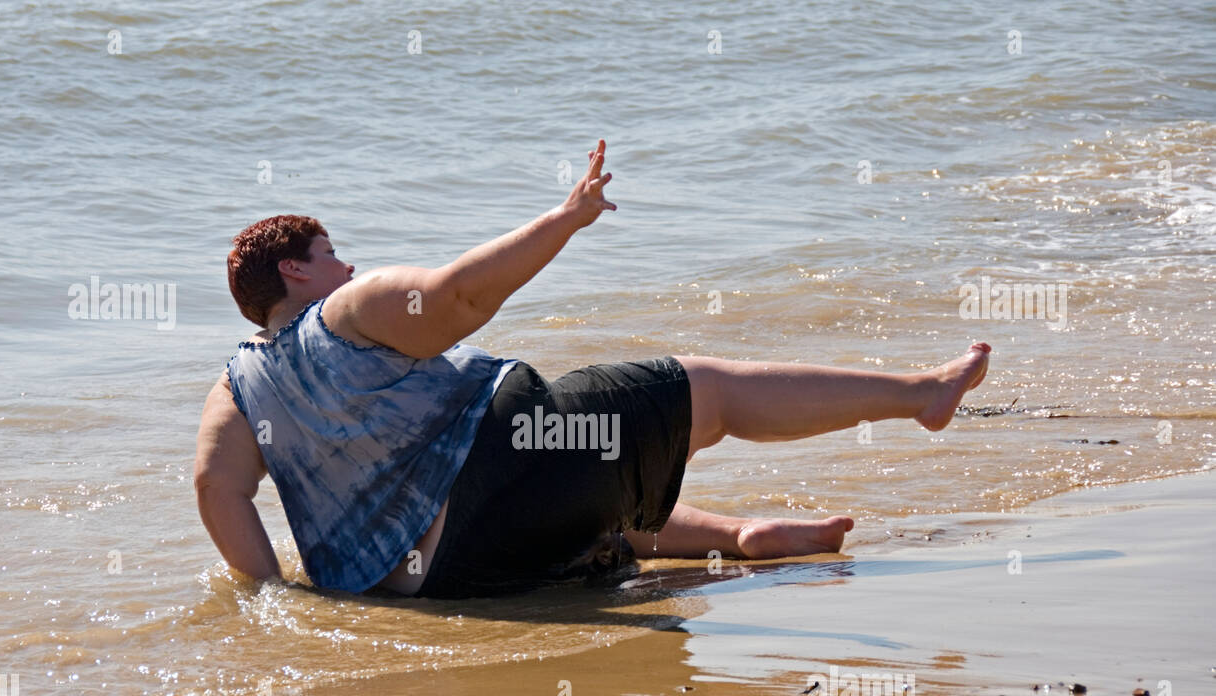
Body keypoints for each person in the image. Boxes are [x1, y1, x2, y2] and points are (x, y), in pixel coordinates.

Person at [194, 139, 990, 598]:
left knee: (576, 468)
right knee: (702, 392)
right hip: (504, 490)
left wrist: (277, 598)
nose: (347, 263)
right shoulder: (346, 310)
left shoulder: (234, 393)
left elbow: (217, 491)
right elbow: (461, 297)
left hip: (443, 584)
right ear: (295, 273)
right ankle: (922, 395)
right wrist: (564, 220)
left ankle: (742, 536)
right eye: (331, 254)